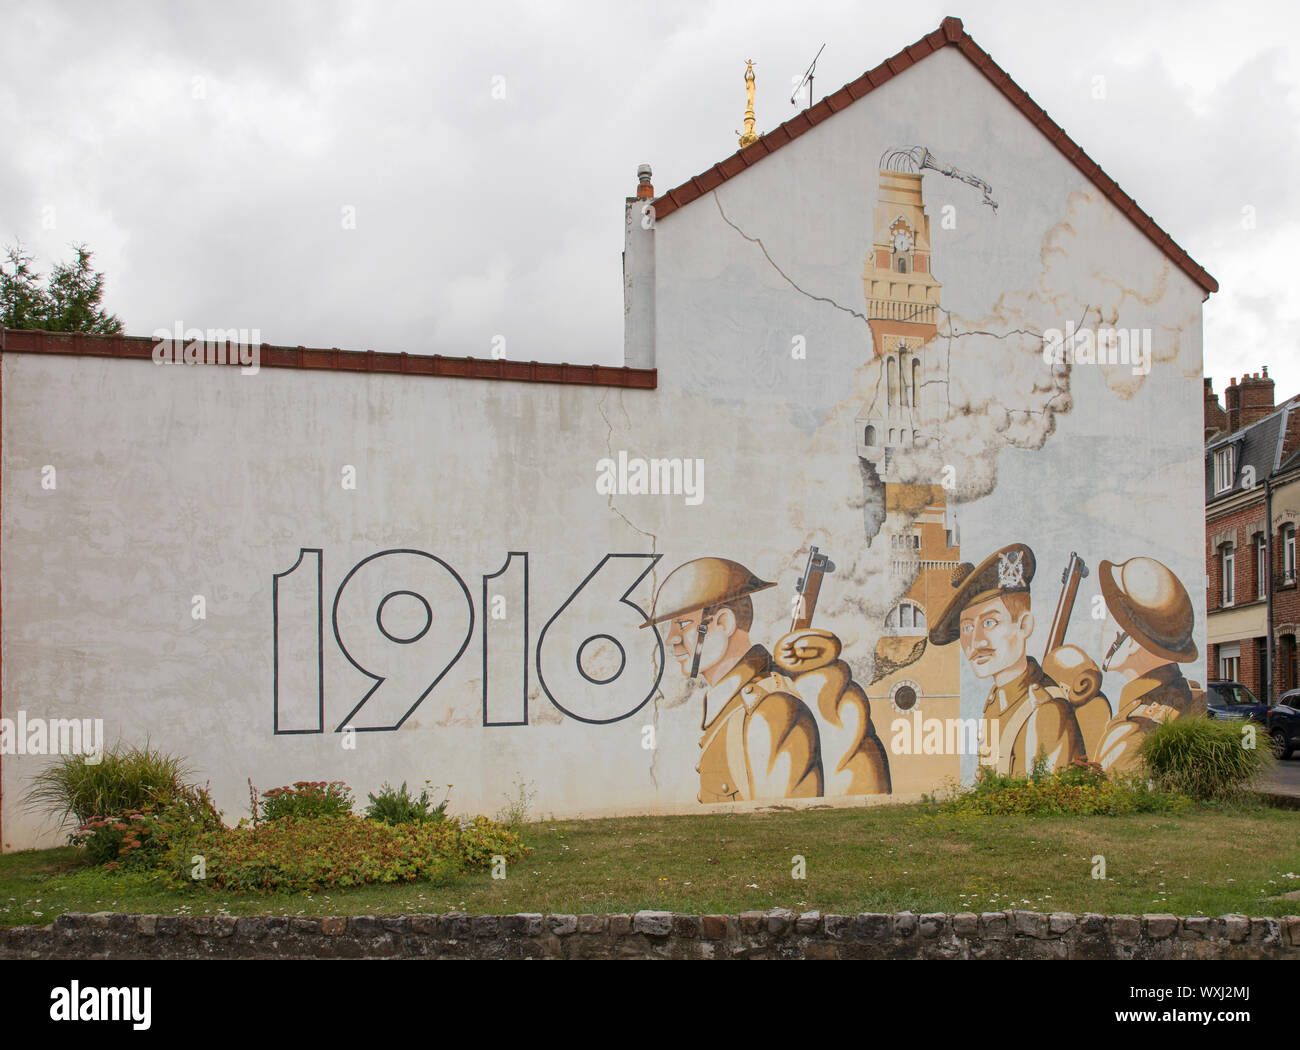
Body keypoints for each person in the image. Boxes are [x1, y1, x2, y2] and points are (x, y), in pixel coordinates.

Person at [928, 543, 1085, 774]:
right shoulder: (997, 702)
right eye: (968, 628)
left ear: (1024, 625)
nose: (976, 642)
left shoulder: (1045, 712)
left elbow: (1051, 804)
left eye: (990, 623)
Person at [1091, 556, 1204, 772]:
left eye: (1111, 615)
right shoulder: (1189, 693)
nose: (1102, 626)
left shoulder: (1133, 729)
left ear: (1130, 642)